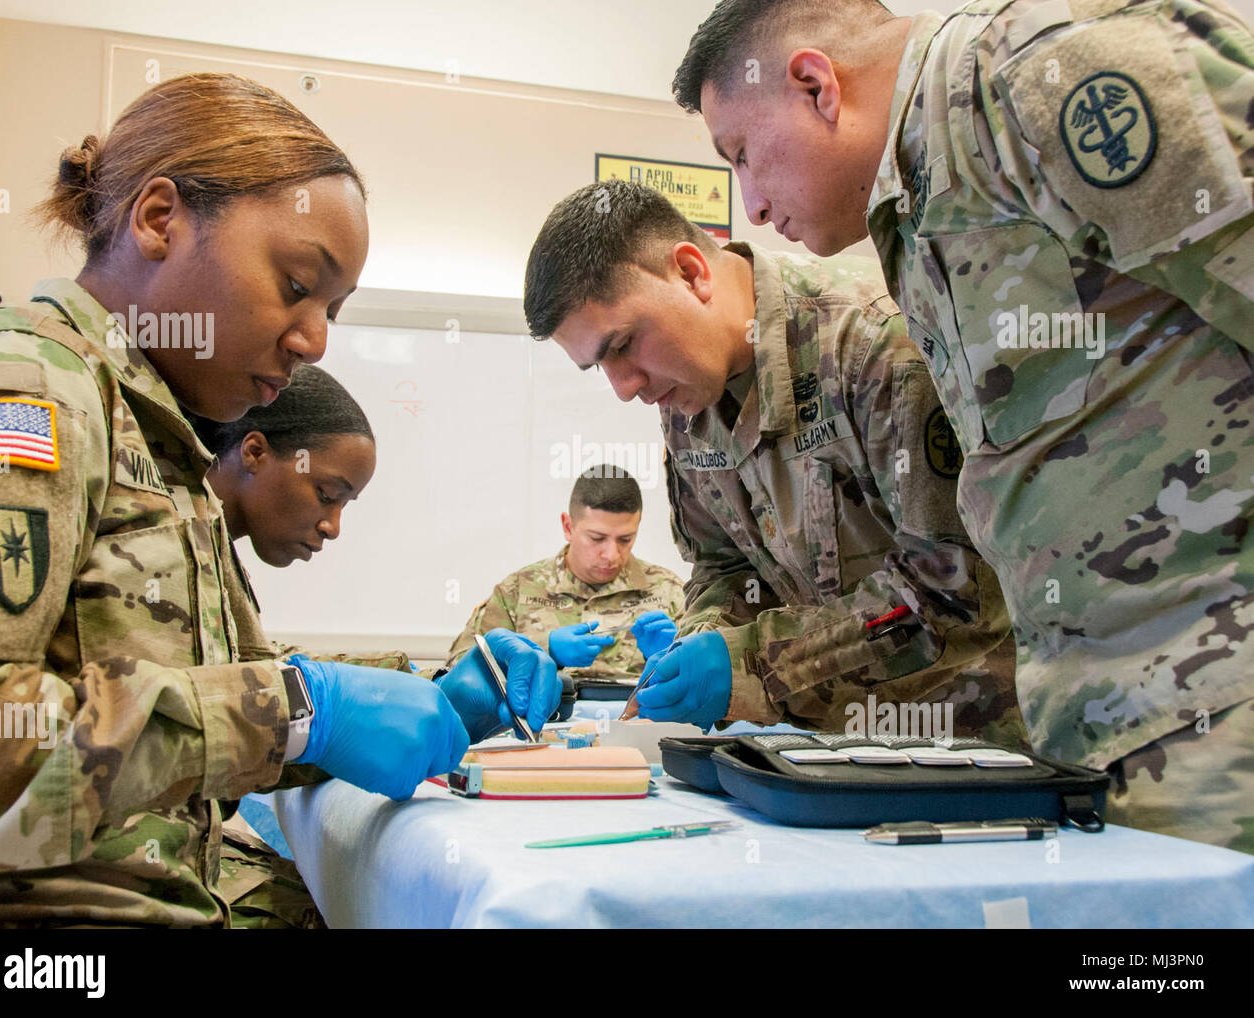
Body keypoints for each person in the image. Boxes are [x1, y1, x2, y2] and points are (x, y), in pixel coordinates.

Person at [0, 72, 561, 928]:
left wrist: (426, 690)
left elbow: (218, 710)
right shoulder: (22, 385)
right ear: (159, 219)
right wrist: (304, 714)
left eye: (333, 310)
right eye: (295, 285)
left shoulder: (158, 441)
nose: (313, 340)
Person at [672, 0, 1254, 849]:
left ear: (814, 86)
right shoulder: (914, 214)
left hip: (1222, 690)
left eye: (744, 156)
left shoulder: (1035, 76)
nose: (752, 207)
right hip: (1100, 733)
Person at [523, 180, 1023, 745]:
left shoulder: (878, 346)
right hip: (828, 754)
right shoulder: (686, 398)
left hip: (973, 751)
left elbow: (954, 596)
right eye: (599, 366)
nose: (624, 388)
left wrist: (754, 664)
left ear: (691, 273)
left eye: (622, 345)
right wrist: (702, 640)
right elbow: (724, 566)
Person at [448, 467, 685, 681]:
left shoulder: (668, 592)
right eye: (597, 538)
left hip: (637, 725)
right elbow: (459, 675)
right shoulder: (518, 591)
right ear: (568, 527)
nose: (612, 554)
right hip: (545, 724)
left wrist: (673, 658)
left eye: (625, 539)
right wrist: (543, 651)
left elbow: (710, 690)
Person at [193, 363, 375, 570]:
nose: (332, 529)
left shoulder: (212, 570)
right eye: (327, 495)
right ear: (255, 452)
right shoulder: (159, 551)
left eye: (343, 505)